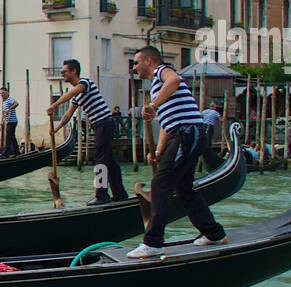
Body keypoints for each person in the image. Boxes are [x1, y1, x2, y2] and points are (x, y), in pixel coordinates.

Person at [127, 45, 227, 258]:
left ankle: (153, 242)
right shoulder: (156, 88)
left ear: (148, 61)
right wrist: (159, 150)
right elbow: (166, 123)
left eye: (136, 62)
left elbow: (175, 81)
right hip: (182, 133)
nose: (134, 67)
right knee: (184, 189)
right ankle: (214, 233)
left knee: (160, 185)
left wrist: (153, 105)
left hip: (187, 132)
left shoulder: (163, 71)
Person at [48, 59, 127, 205]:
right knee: (109, 160)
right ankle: (120, 194)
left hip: (104, 123)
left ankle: (101, 195)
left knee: (100, 159)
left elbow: (72, 93)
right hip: (101, 125)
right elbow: (68, 114)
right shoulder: (78, 94)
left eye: (64, 72)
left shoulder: (85, 83)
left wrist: (54, 104)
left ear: (74, 71)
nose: (62, 74)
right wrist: (56, 129)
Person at [0, 86, 19, 156]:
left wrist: (9, 109)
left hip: (12, 121)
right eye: (0, 93)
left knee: (8, 137)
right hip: (8, 122)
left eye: (3, 93)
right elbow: (3, 113)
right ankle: (17, 152)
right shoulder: (4, 102)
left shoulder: (10, 99)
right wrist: (2, 121)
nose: (2, 94)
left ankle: (6, 153)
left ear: (7, 93)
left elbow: (16, 103)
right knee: (12, 137)